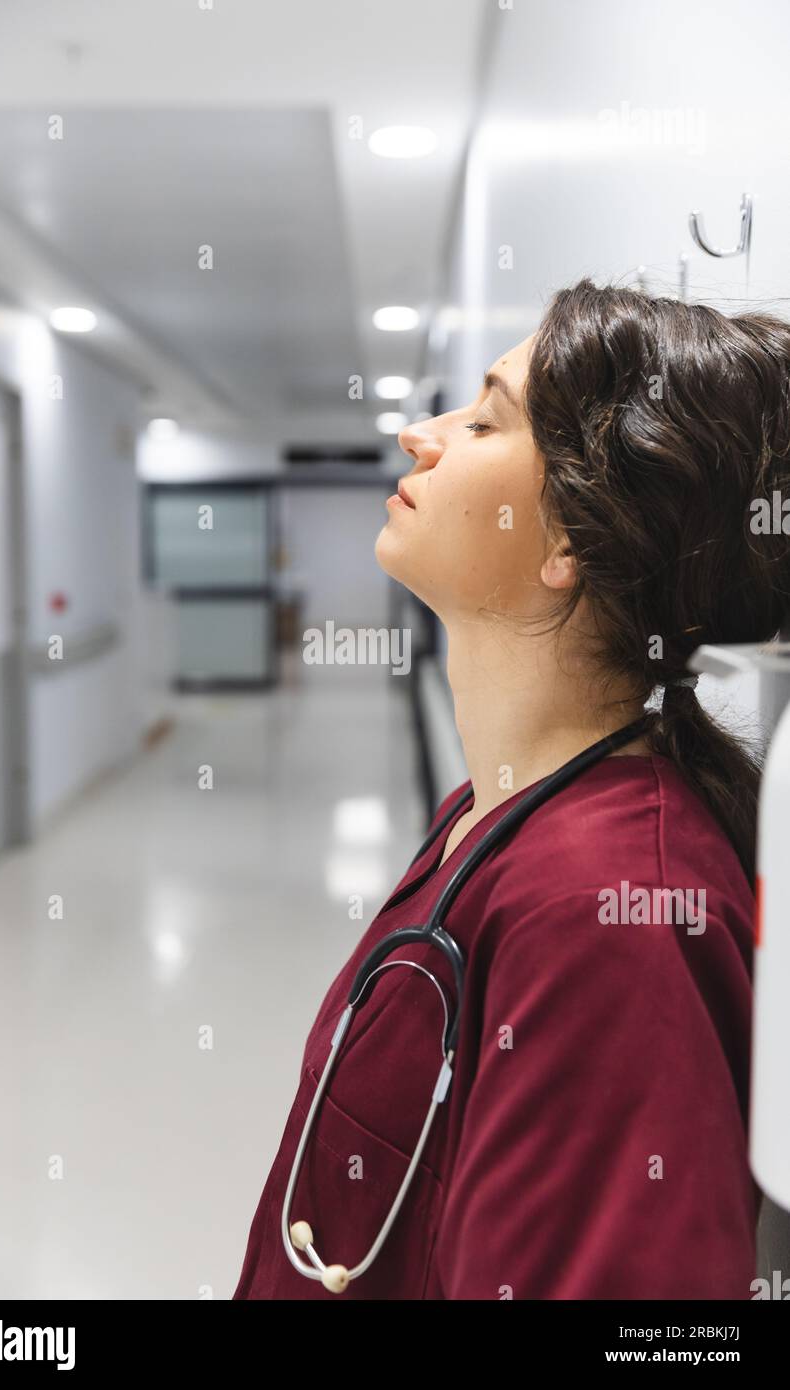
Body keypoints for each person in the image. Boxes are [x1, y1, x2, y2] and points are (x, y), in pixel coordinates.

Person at [233, 278, 790, 1299]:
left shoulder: (607, 914)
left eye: (483, 418)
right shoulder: (490, 814)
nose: (418, 434)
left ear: (571, 539)